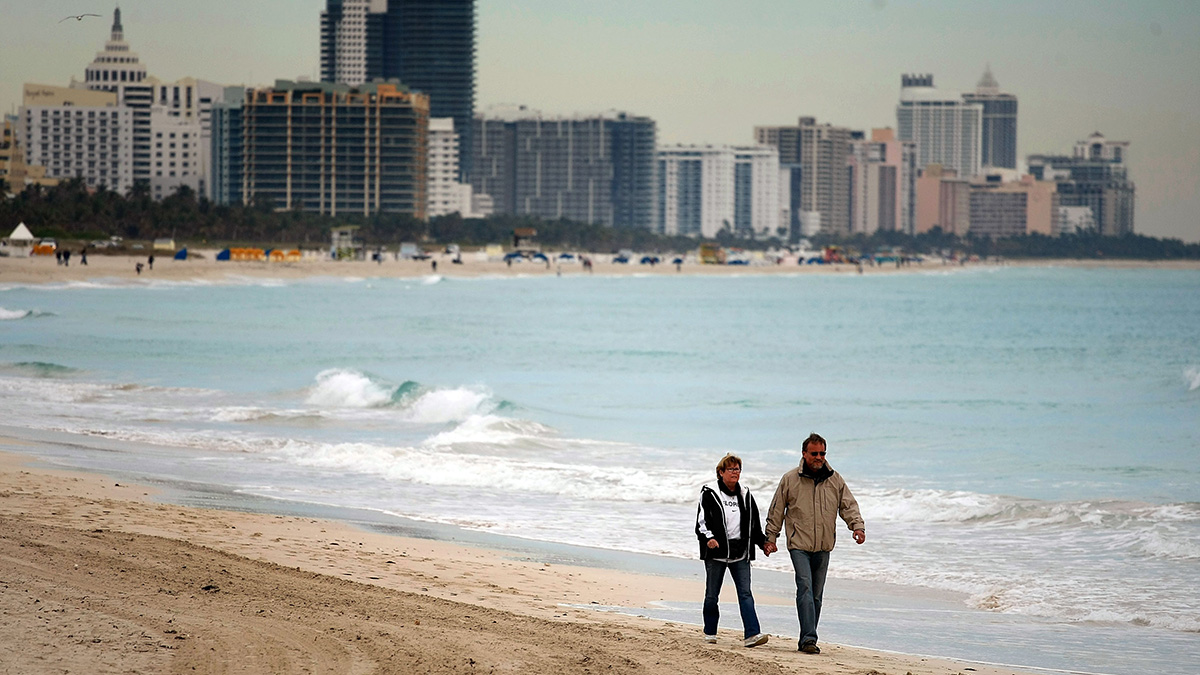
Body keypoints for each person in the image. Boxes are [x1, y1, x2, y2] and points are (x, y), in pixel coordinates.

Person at [764, 433, 865, 655]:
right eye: (814, 453)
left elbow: (848, 506)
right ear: (804, 454)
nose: (819, 457)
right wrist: (770, 538)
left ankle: (806, 638)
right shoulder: (790, 479)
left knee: (816, 595)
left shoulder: (835, 479)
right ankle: (809, 638)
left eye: (822, 453)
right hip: (799, 544)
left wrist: (857, 526)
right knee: (805, 588)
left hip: (824, 546)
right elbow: (776, 510)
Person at [695, 454, 771, 648]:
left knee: (745, 593)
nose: (735, 473)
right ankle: (710, 632)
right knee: (712, 595)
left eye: (738, 469)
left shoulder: (745, 494)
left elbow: (754, 525)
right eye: (731, 469)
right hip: (717, 553)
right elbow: (701, 522)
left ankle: (752, 635)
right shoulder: (709, 493)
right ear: (721, 472)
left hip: (740, 553)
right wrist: (709, 539)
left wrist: (763, 543)